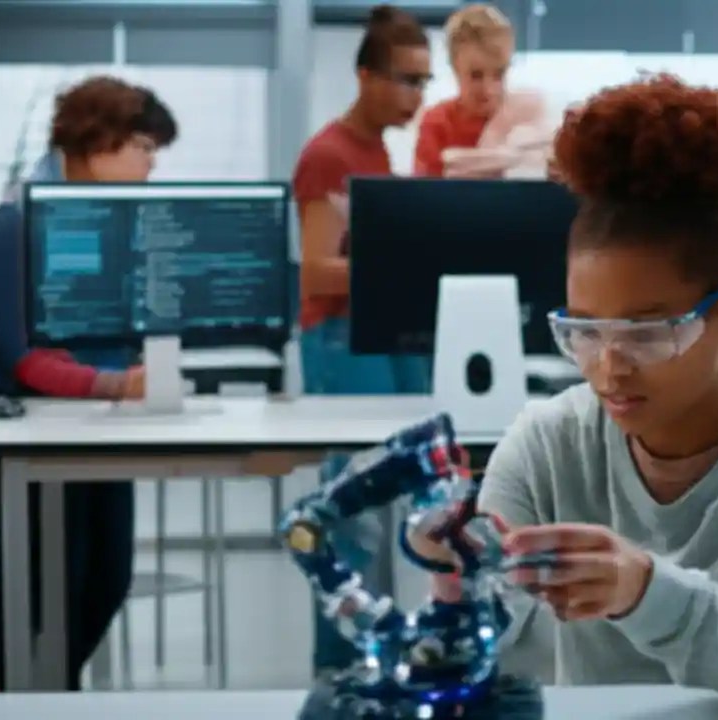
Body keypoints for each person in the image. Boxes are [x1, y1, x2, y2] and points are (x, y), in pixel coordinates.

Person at [416, 75, 718, 701]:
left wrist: (643, 590)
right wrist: (456, 579)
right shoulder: (547, 442)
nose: (609, 368)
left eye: (647, 332)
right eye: (584, 331)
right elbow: (493, 626)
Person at [0, 75, 176, 690]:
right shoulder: (13, 224)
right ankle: (18, 685)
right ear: (94, 142)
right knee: (49, 590)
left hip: (101, 423)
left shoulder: (110, 222)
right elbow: (27, 359)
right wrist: (118, 384)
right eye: (142, 146)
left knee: (105, 581)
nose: (151, 163)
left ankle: (41, 684)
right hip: (30, 433)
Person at [291, 4, 432, 675]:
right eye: (406, 80)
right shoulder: (327, 155)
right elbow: (316, 267)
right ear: (366, 77)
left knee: (395, 509)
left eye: (424, 82)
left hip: (382, 328)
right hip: (341, 334)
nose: (417, 96)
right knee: (355, 519)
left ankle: (379, 660)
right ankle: (341, 673)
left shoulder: (378, 152)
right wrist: (402, 260)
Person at [413, 3, 548, 178]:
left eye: (499, 74)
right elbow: (422, 196)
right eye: (476, 75)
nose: (489, 89)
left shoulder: (523, 118)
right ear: (455, 68)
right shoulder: (437, 124)